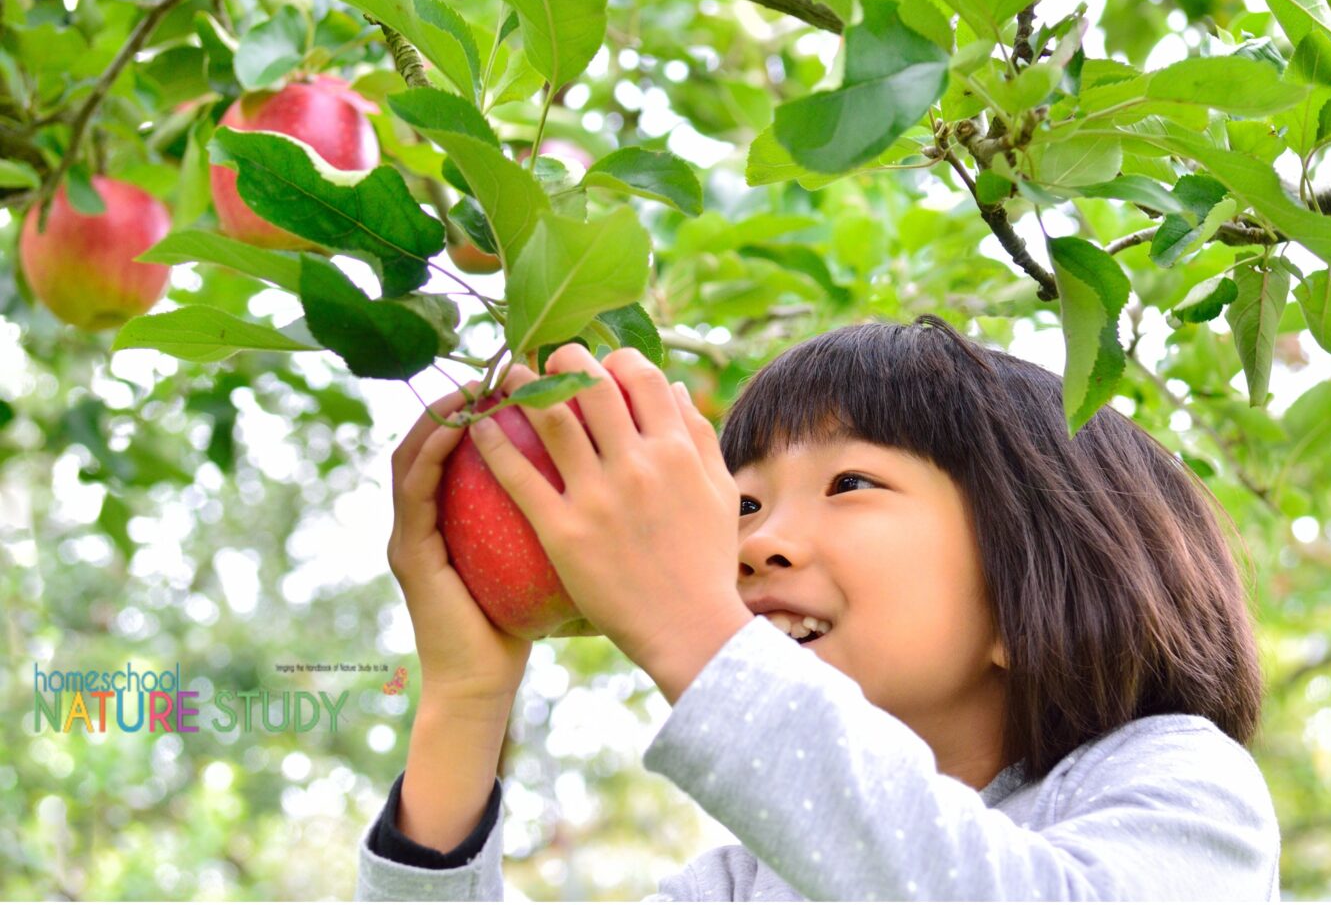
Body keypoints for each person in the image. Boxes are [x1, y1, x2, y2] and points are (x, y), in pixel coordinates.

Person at [356, 314, 1280, 901]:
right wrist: (467, 703)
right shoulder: (744, 886)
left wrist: (694, 635)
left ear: (1034, 576)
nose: (753, 544)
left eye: (848, 481)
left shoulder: (1175, 784)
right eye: (744, 504)